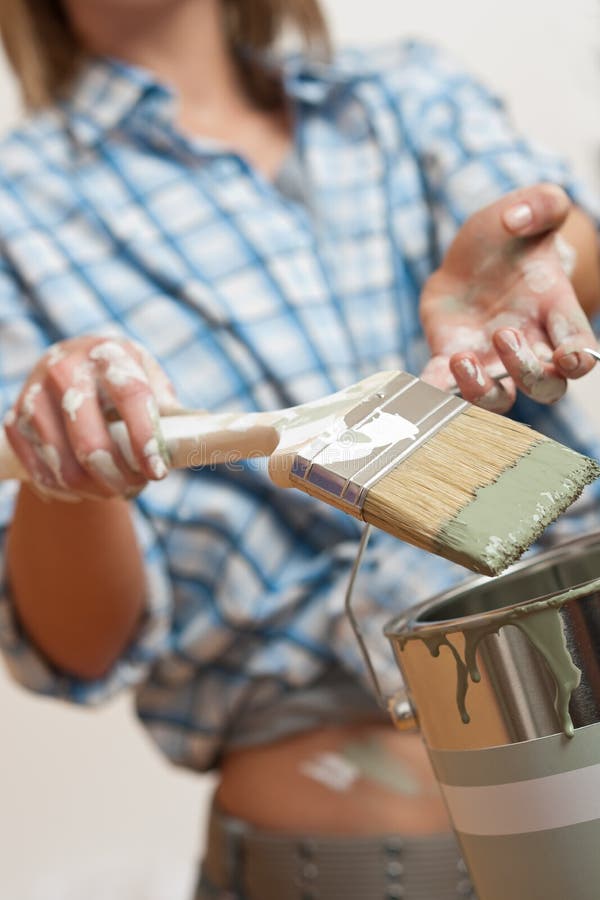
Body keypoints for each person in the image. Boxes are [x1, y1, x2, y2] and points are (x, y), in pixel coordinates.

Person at [0, 2, 599, 899]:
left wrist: (538, 276)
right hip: (338, 864)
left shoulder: (401, 92)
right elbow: (76, 648)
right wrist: (68, 475)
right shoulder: (14, 209)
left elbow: (564, 247)